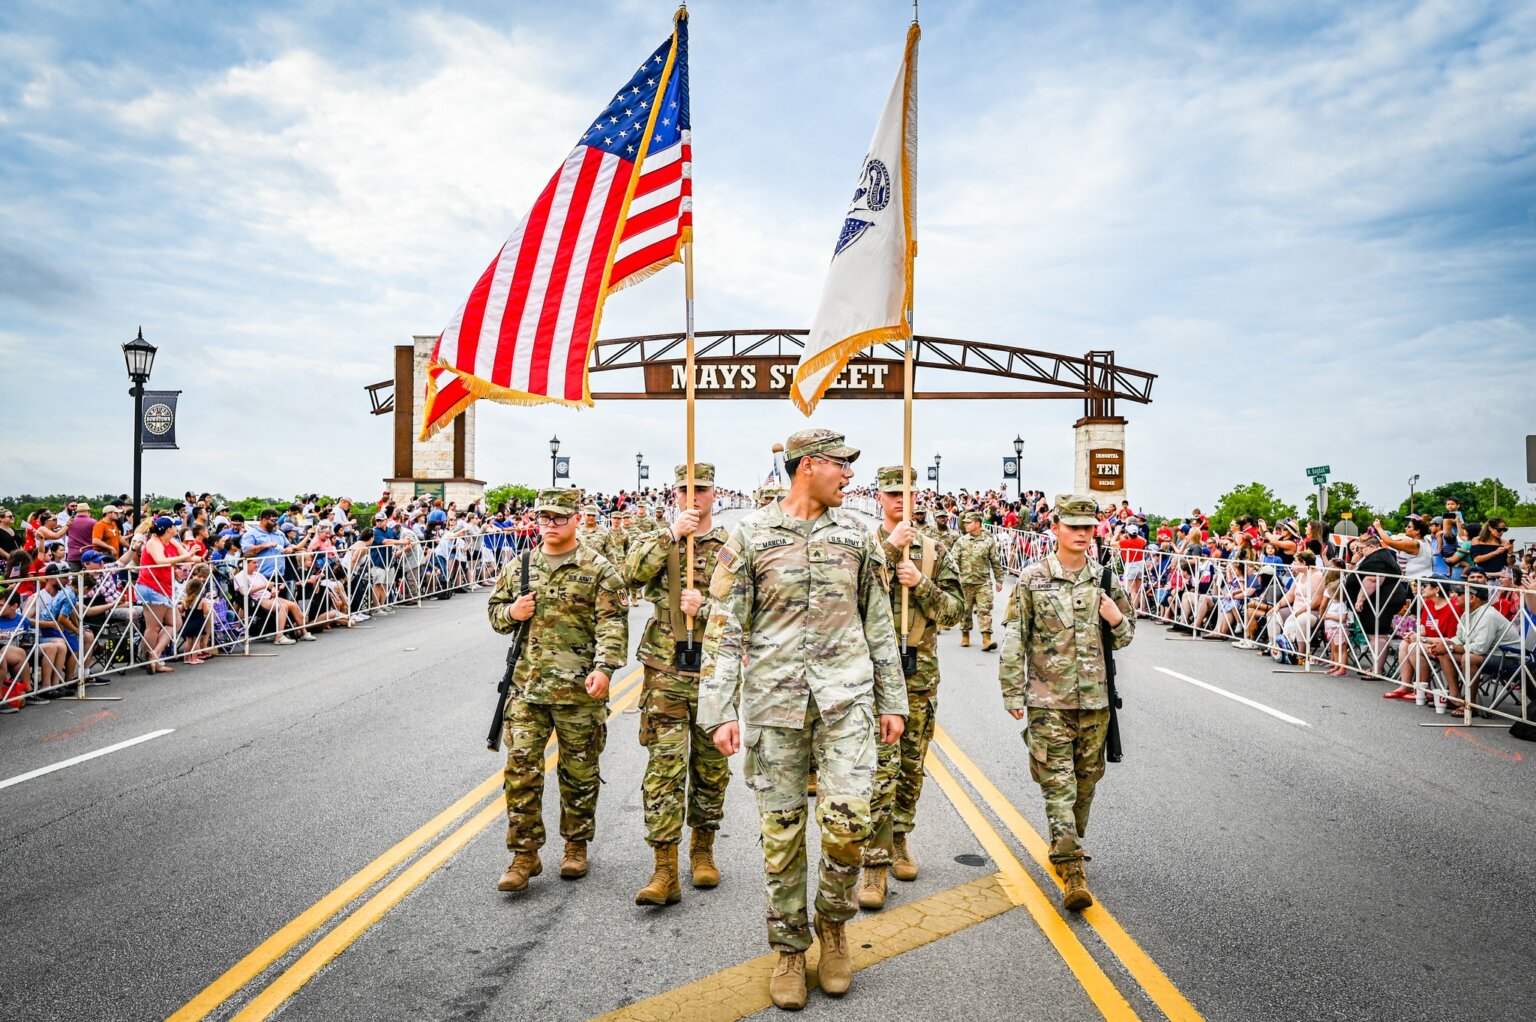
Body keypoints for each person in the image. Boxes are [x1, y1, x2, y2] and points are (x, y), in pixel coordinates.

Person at [700, 428, 906, 1011]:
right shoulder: (749, 536)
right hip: (775, 707)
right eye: (842, 464)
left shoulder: (859, 536)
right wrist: (718, 710)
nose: (850, 474)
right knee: (782, 834)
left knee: (848, 825)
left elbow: (879, 624)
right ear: (808, 465)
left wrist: (892, 700)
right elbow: (724, 629)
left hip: (847, 705)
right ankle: (790, 948)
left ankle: (833, 927)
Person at [998, 494, 1135, 913]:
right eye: (1073, 526)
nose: (1081, 534)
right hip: (1048, 701)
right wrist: (1012, 690)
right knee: (1058, 785)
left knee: (1086, 783)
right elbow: (1015, 636)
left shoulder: (1105, 579)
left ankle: (1069, 840)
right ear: (1055, 527)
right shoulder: (1033, 578)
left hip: (1095, 703)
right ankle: (1071, 866)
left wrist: (1115, 618)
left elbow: (1126, 635)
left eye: (1088, 527)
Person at [487, 488, 628, 893]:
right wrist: (512, 612)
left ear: (576, 518)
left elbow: (612, 624)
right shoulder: (520, 566)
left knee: (579, 774)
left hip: (579, 692)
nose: (550, 525)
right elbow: (495, 613)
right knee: (521, 774)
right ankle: (524, 854)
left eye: (559, 517)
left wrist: (604, 669)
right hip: (527, 690)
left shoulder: (598, 568)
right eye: (544, 517)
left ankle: (575, 846)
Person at [625, 464, 732, 906]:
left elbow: (750, 609)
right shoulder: (659, 541)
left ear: (714, 493)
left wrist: (704, 607)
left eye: (701, 488)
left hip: (714, 672)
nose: (693, 496)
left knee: (710, 769)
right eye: (684, 489)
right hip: (665, 671)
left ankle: (703, 850)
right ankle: (663, 867)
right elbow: (630, 574)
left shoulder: (731, 547)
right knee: (664, 768)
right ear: (674, 494)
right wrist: (672, 533)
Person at [859, 466, 962, 911]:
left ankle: (899, 837)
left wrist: (921, 584)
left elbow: (955, 611)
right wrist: (887, 551)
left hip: (918, 678)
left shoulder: (935, 551)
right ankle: (874, 863)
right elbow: (845, 596)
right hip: (872, 679)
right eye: (891, 493)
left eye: (907, 492)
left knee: (910, 770)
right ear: (879, 497)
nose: (900, 500)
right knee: (878, 773)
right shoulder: (863, 545)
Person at [953, 511, 1006, 650]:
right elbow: (953, 561)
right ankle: (965, 635)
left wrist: (999, 580)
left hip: (983, 583)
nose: (966, 525)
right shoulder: (961, 541)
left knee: (984, 610)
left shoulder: (988, 541)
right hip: (965, 582)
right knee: (965, 611)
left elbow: (995, 561)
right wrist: (953, 579)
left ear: (977, 524)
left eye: (969, 523)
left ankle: (986, 639)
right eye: (965, 523)